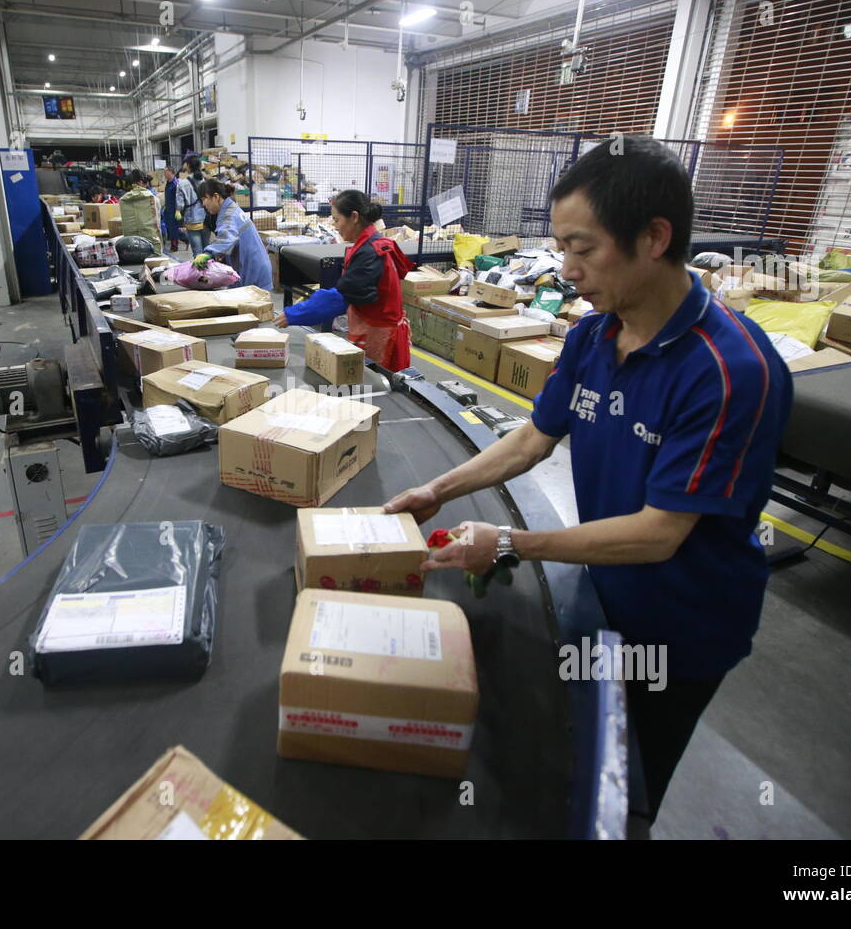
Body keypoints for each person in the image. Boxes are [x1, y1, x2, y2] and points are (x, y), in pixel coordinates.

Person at [383, 137, 793, 829]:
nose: (567, 270)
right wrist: (439, 490)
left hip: (680, 622)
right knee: (568, 742)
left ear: (654, 237)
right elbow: (534, 437)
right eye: (561, 248)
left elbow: (662, 535)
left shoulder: (729, 371)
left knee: (623, 785)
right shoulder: (592, 336)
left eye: (584, 248)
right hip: (602, 591)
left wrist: (511, 542)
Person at [273, 189, 412, 372]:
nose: (335, 226)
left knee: (375, 387)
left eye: (337, 220)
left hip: (381, 338)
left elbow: (339, 298)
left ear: (354, 217)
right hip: (375, 330)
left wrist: (294, 314)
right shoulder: (372, 244)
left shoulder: (370, 253)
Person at [193, 179, 271, 290]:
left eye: (204, 199)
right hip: (253, 267)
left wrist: (208, 253)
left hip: (252, 271)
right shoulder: (229, 209)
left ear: (216, 197)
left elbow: (226, 239)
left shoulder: (228, 214)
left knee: (250, 305)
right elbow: (233, 240)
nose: (203, 204)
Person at [118, 169, 162, 249]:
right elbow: (158, 219)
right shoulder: (153, 198)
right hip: (152, 247)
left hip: (130, 248)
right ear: (140, 182)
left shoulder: (123, 200)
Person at [177, 157, 207, 256]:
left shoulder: (182, 183)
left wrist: (178, 210)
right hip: (206, 220)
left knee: (197, 253)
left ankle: (200, 271)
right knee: (207, 251)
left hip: (192, 221)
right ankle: (210, 271)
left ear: (189, 166)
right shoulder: (204, 181)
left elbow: (180, 204)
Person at [161, 166, 181, 253]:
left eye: (166, 172)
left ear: (171, 172)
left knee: (173, 228)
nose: (164, 174)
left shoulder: (176, 183)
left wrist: (178, 209)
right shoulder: (168, 183)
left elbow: (179, 198)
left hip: (174, 209)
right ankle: (184, 238)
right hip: (168, 208)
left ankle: (174, 246)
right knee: (168, 226)